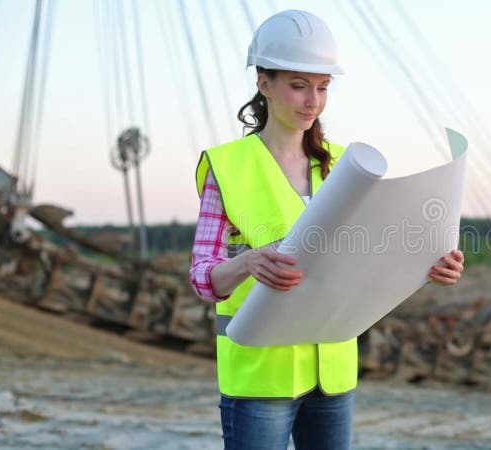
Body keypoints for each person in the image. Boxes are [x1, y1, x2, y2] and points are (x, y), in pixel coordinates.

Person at [189, 9, 465, 450]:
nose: (312, 102)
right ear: (264, 84)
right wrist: (248, 262)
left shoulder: (344, 166)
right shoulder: (227, 167)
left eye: (322, 87)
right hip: (260, 376)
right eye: (298, 86)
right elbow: (203, 278)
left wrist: (432, 262)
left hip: (332, 373)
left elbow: (371, 255)